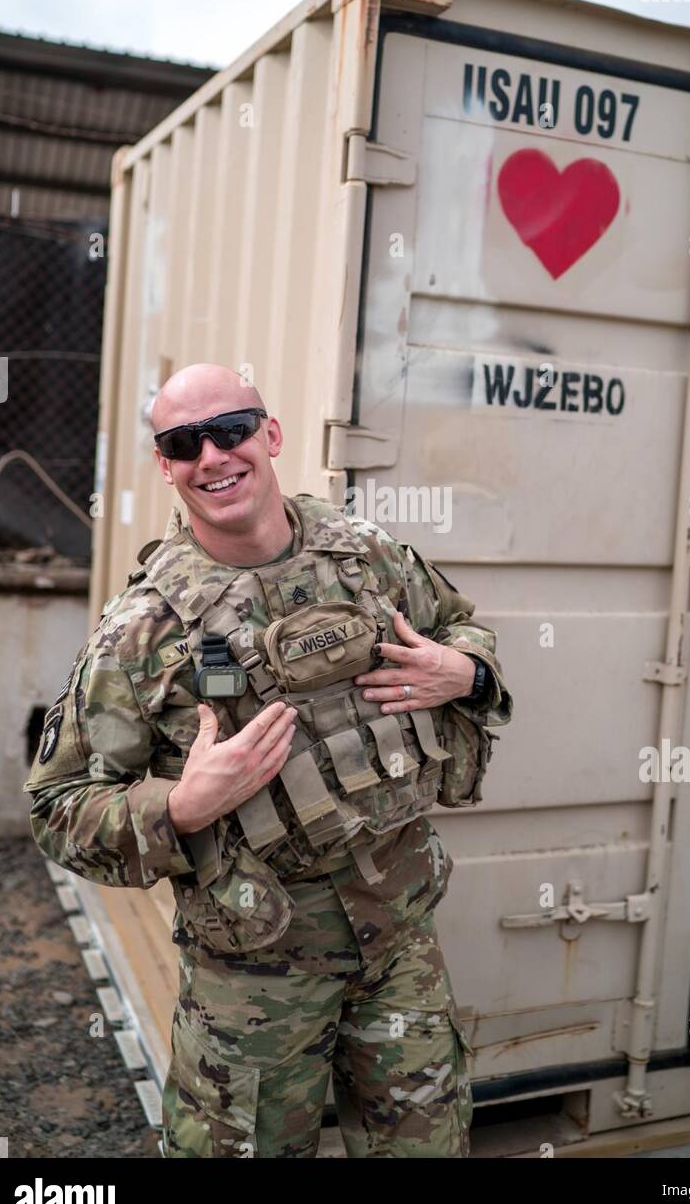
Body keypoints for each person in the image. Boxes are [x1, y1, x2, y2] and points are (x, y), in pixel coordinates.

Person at [25, 363, 512, 1158]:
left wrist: (468, 672)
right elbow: (57, 808)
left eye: (231, 430)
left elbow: (461, 625)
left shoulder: (366, 558)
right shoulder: (143, 630)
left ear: (271, 434)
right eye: (185, 444)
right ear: (167, 467)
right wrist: (181, 807)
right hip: (254, 984)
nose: (213, 456)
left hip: (400, 949)